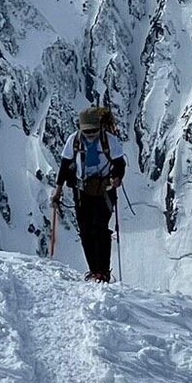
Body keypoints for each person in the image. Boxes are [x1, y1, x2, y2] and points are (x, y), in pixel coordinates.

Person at [53, 106, 126, 282]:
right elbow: (64, 166)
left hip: (104, 191)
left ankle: (102, 271)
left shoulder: (110, 141)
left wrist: (117, 177)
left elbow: (120, 164)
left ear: (100, 127)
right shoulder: (74, 141)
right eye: (87, 131)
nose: (90, 134)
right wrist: (58, 191)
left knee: (100, 228)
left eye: (93, 130)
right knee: (86, 230)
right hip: (82, 191)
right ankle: (95, 270)